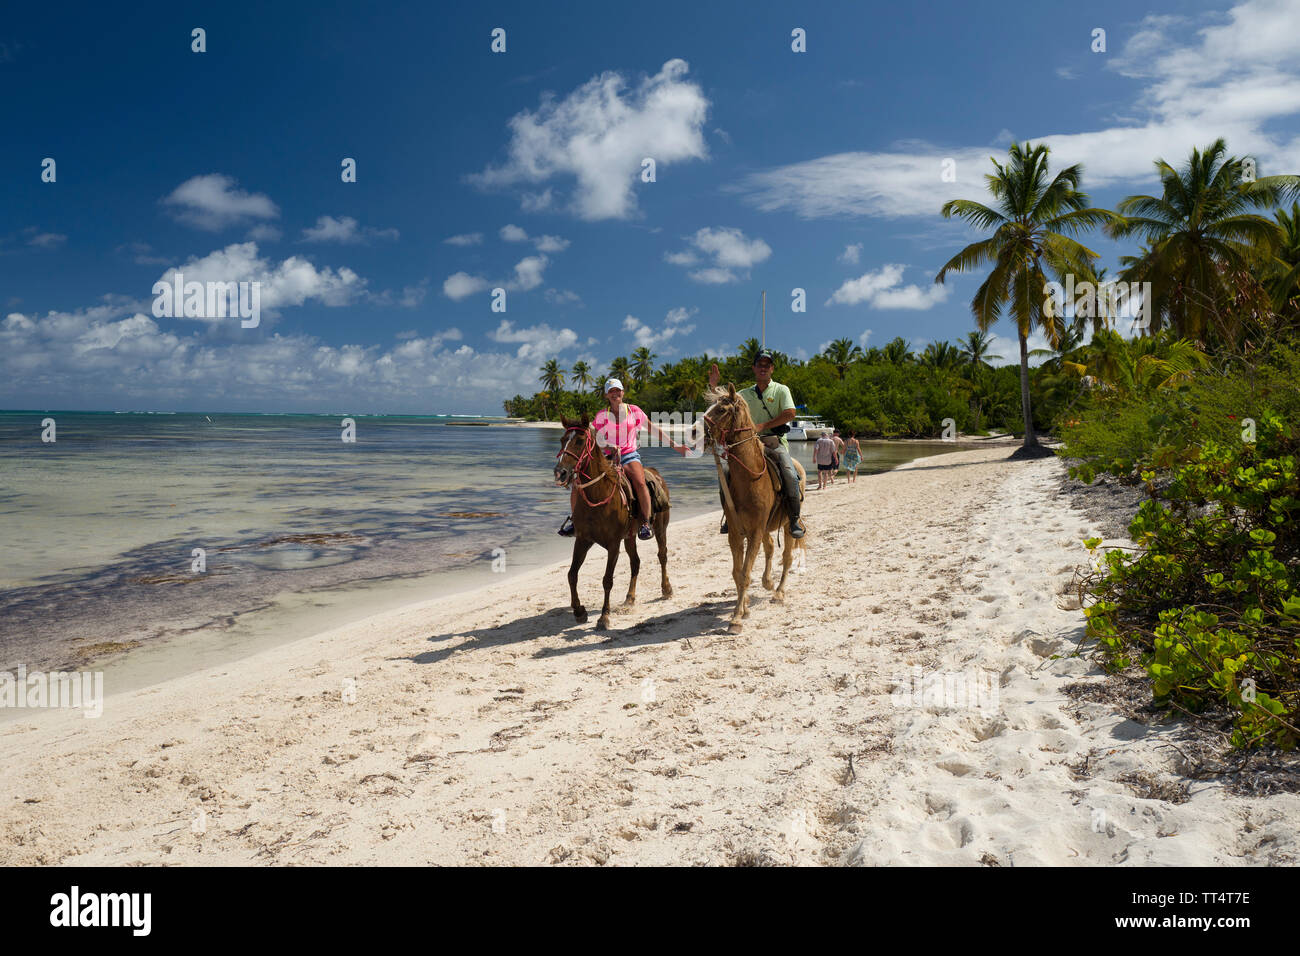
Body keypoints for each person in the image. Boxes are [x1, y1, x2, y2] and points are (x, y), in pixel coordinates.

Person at [559, 378, 687, 539]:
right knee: (577, 484)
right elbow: (594, 438)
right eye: (611, 391)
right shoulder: (602, 415)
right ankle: (575, 521)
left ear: (623, 392)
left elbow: (654, 430)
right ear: (606, 395)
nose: (615, 394)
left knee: (640, 482)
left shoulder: (634, 411)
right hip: (606, 458)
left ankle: (645, 523)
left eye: (617, 390)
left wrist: (676, 446)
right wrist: (609, 446)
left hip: (629, 455)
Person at [707, 350, 804, 538]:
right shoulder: (744, 394)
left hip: (774, 442)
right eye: (760, 364)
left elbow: (790, 413)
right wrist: (713, 386)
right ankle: (729, 516)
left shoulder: (781, 390)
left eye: (767, 365)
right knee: (725, 473)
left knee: (790, 474)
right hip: (747, 445)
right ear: (754, 368)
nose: (763, 368)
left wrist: (763, 426)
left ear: (772, 368)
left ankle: (793, 519)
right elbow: (723, 403)